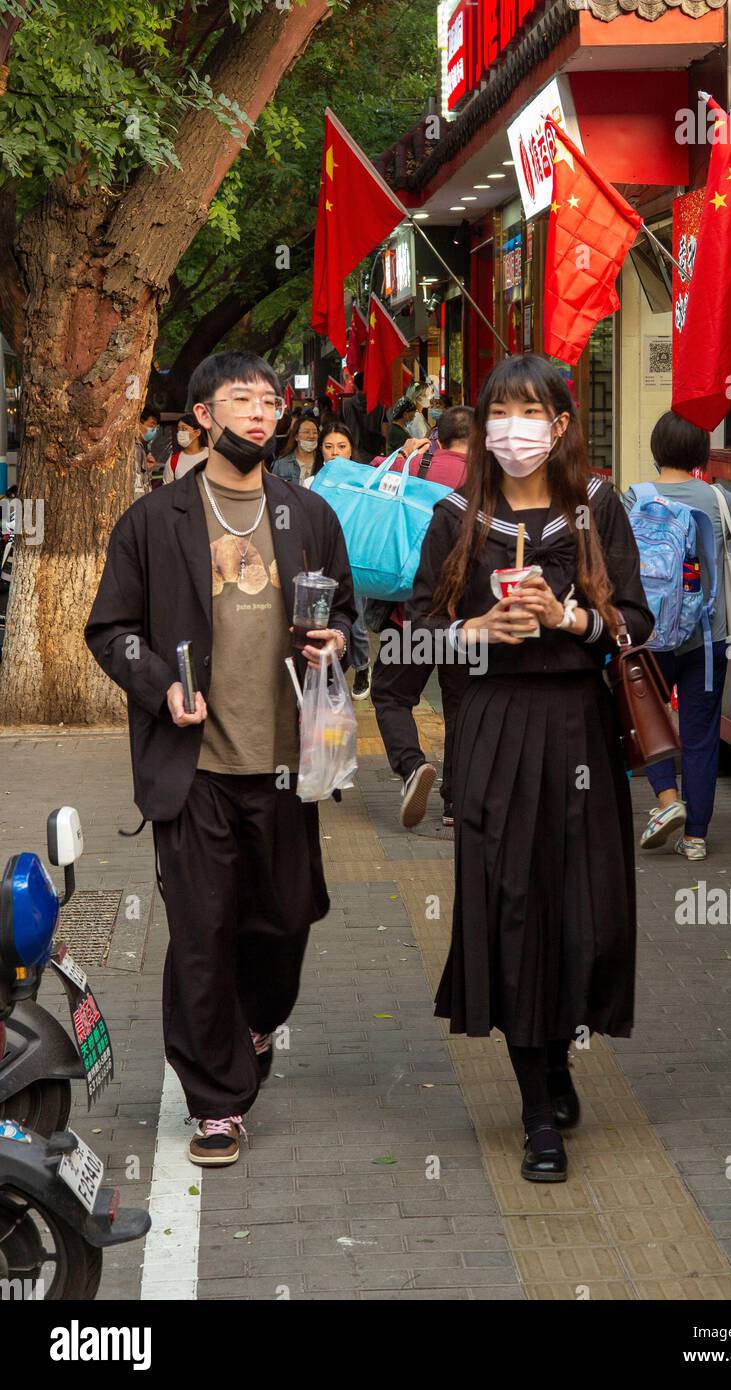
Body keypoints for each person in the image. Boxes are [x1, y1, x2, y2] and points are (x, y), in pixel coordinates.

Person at [85, 350, 355, 1168]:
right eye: (242, 400)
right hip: (193, 765)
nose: (260, 414)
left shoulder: (305, 515)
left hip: (286, 762)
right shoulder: (154, 521)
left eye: (270, 401)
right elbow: (111, 630)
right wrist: (161, 685)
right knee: (201, 932)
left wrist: (342, 640)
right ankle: (216, 1101)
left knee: (283, 923)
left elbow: (350, 615)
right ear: (202, 415)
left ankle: (257, 1022)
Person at [407, 354, 653, 1184]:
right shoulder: (455, 518)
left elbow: (638, 623)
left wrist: (573, 616)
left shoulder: (596, 512)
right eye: (500, 413)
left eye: (532, 413)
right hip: (491, 732)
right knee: (511, 908)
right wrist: (475, 632)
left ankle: (559, 1062)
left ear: (560, 425)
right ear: (483, 426)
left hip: (580, 734)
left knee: (581, 911)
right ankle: (537, 1112)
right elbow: (410, 636)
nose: (515, 430)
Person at [623, 411, 731, 861]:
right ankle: (695, 836)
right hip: (708, 640)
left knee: (648, 723)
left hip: (649, 637)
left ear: (656, 450)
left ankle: (666, 801)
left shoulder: (636, 498)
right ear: (699, 452)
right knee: (701, 733)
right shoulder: (715, 497)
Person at [371, 405, 474, 828]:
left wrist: (406, 451)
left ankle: (413, 766)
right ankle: (457, 802)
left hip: (410, 613)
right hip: (468, 621)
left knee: (391, 695)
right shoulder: (491, 480)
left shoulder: (415, 461)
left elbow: (371, 477)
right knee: (462, 706)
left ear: (437, 434)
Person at [311, 419, 372, 700]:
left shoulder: (366, 482)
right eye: (329, 446)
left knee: (355, 620)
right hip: (320, 565)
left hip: (354, 562)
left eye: (341, 446)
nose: (335, 452)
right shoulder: (311, 484)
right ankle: (328, 677)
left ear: (351, 450)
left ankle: (361, 665)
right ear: (321, 451)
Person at [342, 372, 386, 464]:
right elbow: (384, 430)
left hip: (353, 450)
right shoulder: (380, 406)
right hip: (374, 451)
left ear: (354, 385)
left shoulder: (346, 404)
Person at [272, 410, 318, 485]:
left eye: (315, 432)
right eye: (306, 432)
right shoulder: (282, 464)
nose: (311, 436)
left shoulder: (323, 462)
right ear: (296, 436)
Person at [162, 413, 209, 484]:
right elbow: (167, 490)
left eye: (184, 429)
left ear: (197, 432)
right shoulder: (173, 461)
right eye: (178, 430)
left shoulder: (211, 455)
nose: (180, 433)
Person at [134, 406, 160, 498]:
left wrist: (148, 470)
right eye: (152, 425)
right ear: (139, 422)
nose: (154, 430)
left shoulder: (143, 450)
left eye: (156, 427)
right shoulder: (133, 449)